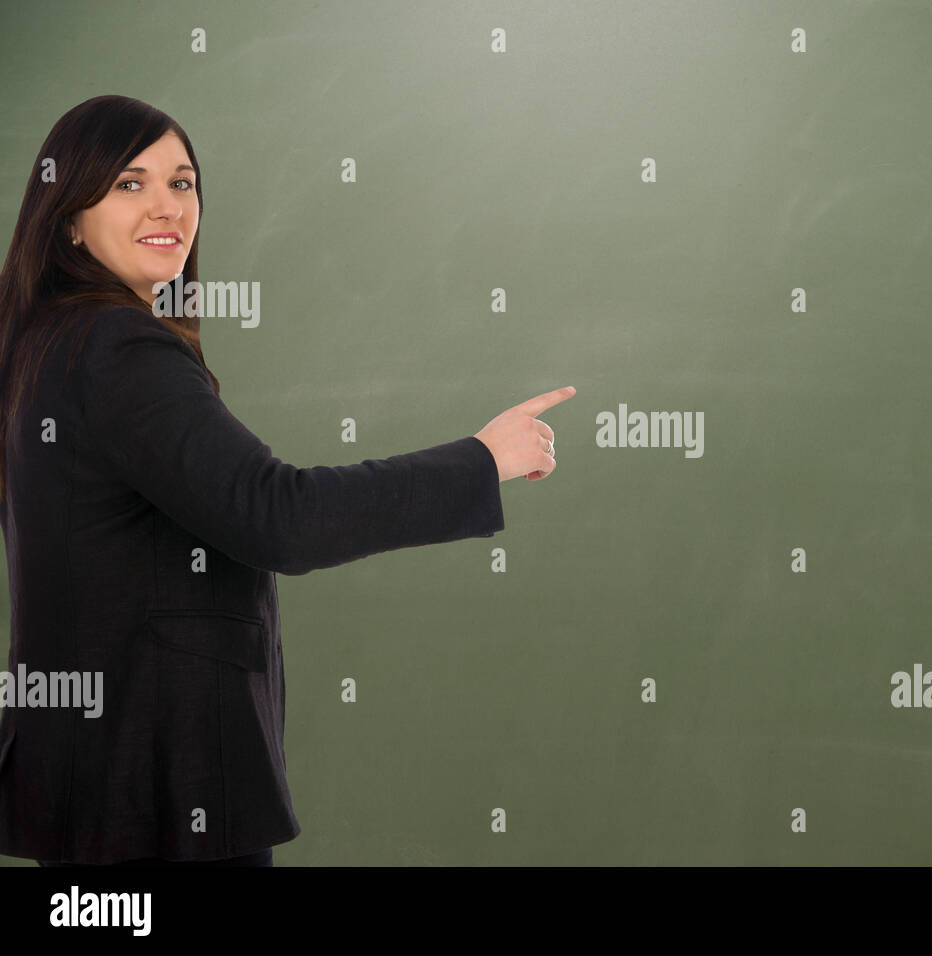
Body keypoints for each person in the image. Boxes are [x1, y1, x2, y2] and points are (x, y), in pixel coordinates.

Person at [0, 95, 574, 866]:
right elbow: (280, 516)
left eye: (183, 182)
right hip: (161, 794)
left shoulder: (49, 344)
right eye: (129, 184)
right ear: (69, 216)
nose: (167, 206)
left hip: (106, 790)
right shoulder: (118, 347)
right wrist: (483, 459)